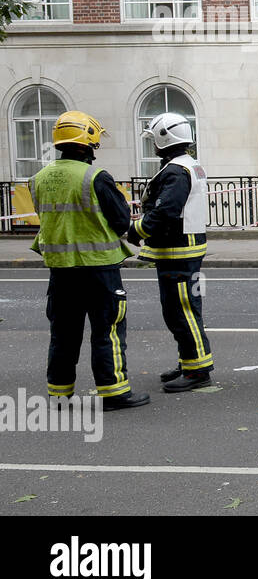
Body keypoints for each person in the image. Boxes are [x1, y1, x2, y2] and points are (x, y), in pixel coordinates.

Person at [29, 111, 148, 409]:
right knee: (107, 331)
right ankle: (114, 392)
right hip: (99, 269)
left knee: (63, 335)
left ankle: (59, 394)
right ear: (89, 141)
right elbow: (121, 220)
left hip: (60, 273)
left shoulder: (38, 179)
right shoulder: (96, 177)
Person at [127, 112, 214, 392]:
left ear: (164, 138)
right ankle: (189, 362)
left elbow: (166, 212)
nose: (152, 144)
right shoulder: (189, 165)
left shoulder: (176, 171)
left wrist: (135, 231)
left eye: (153, 138)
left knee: (181, 311)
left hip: (179, 253)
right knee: (185, 310)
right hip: (186, 250)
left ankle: (197, 372)